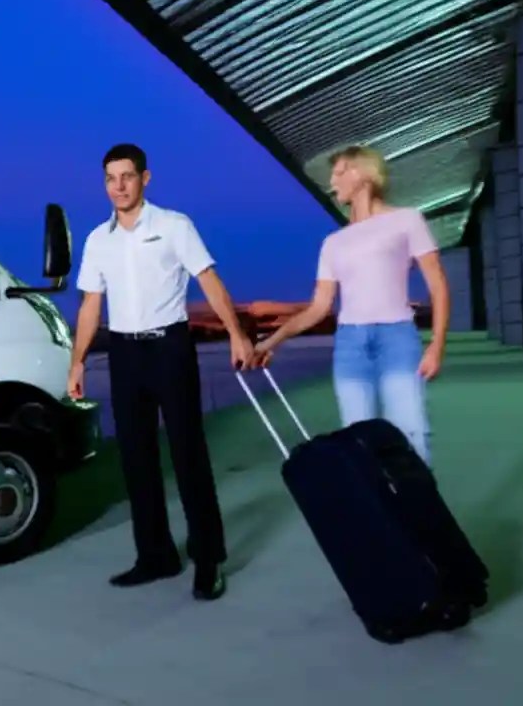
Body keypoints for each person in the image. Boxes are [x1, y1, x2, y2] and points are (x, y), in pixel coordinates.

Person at [68, 143, 253, 600]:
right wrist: (77, 361)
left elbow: (209, 280)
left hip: (169, 348)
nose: (119, 187)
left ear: (145, 179)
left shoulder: (174, 226)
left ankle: (208, 559)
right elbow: (92, 305)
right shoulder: (98, 240)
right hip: (124, 356)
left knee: (188, 453)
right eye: (111, 179)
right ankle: (155, 556)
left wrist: (236, 333)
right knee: (136, 459)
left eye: (127, 177)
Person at [247, 145, 449, 465]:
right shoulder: (334, 243)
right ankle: (375, 512)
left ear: (364, 174)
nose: (332, 180)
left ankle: (419, 511)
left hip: (397, 338)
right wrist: (271, 341)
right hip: (350, 345)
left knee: (410, 433)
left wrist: (436, 345)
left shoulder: (407, 220)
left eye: (340, 172)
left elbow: (437, 284)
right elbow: (318, 308)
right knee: (358, 439)